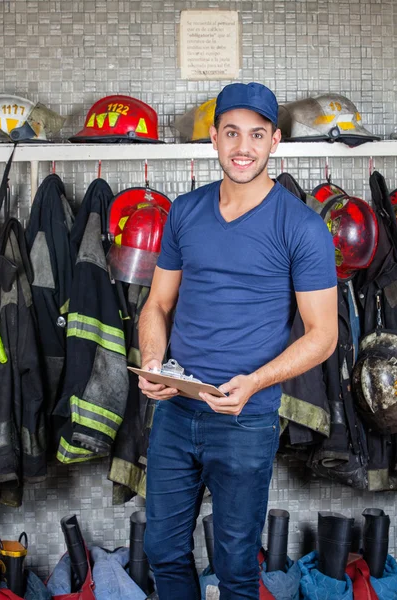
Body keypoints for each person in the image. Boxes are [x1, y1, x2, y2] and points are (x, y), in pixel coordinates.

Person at [138, 82, 338, 600]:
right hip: (178, 413)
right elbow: (157, 304)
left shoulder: (303, 228)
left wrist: (256, 382)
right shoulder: (184, 211)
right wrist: (156, 361)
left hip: (244, 418)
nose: (242, 146)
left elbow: (324, 335)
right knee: (162, 550)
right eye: (231, 132)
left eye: (255, 134)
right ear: (214, 138)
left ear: (274, 141)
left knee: (235, 567)